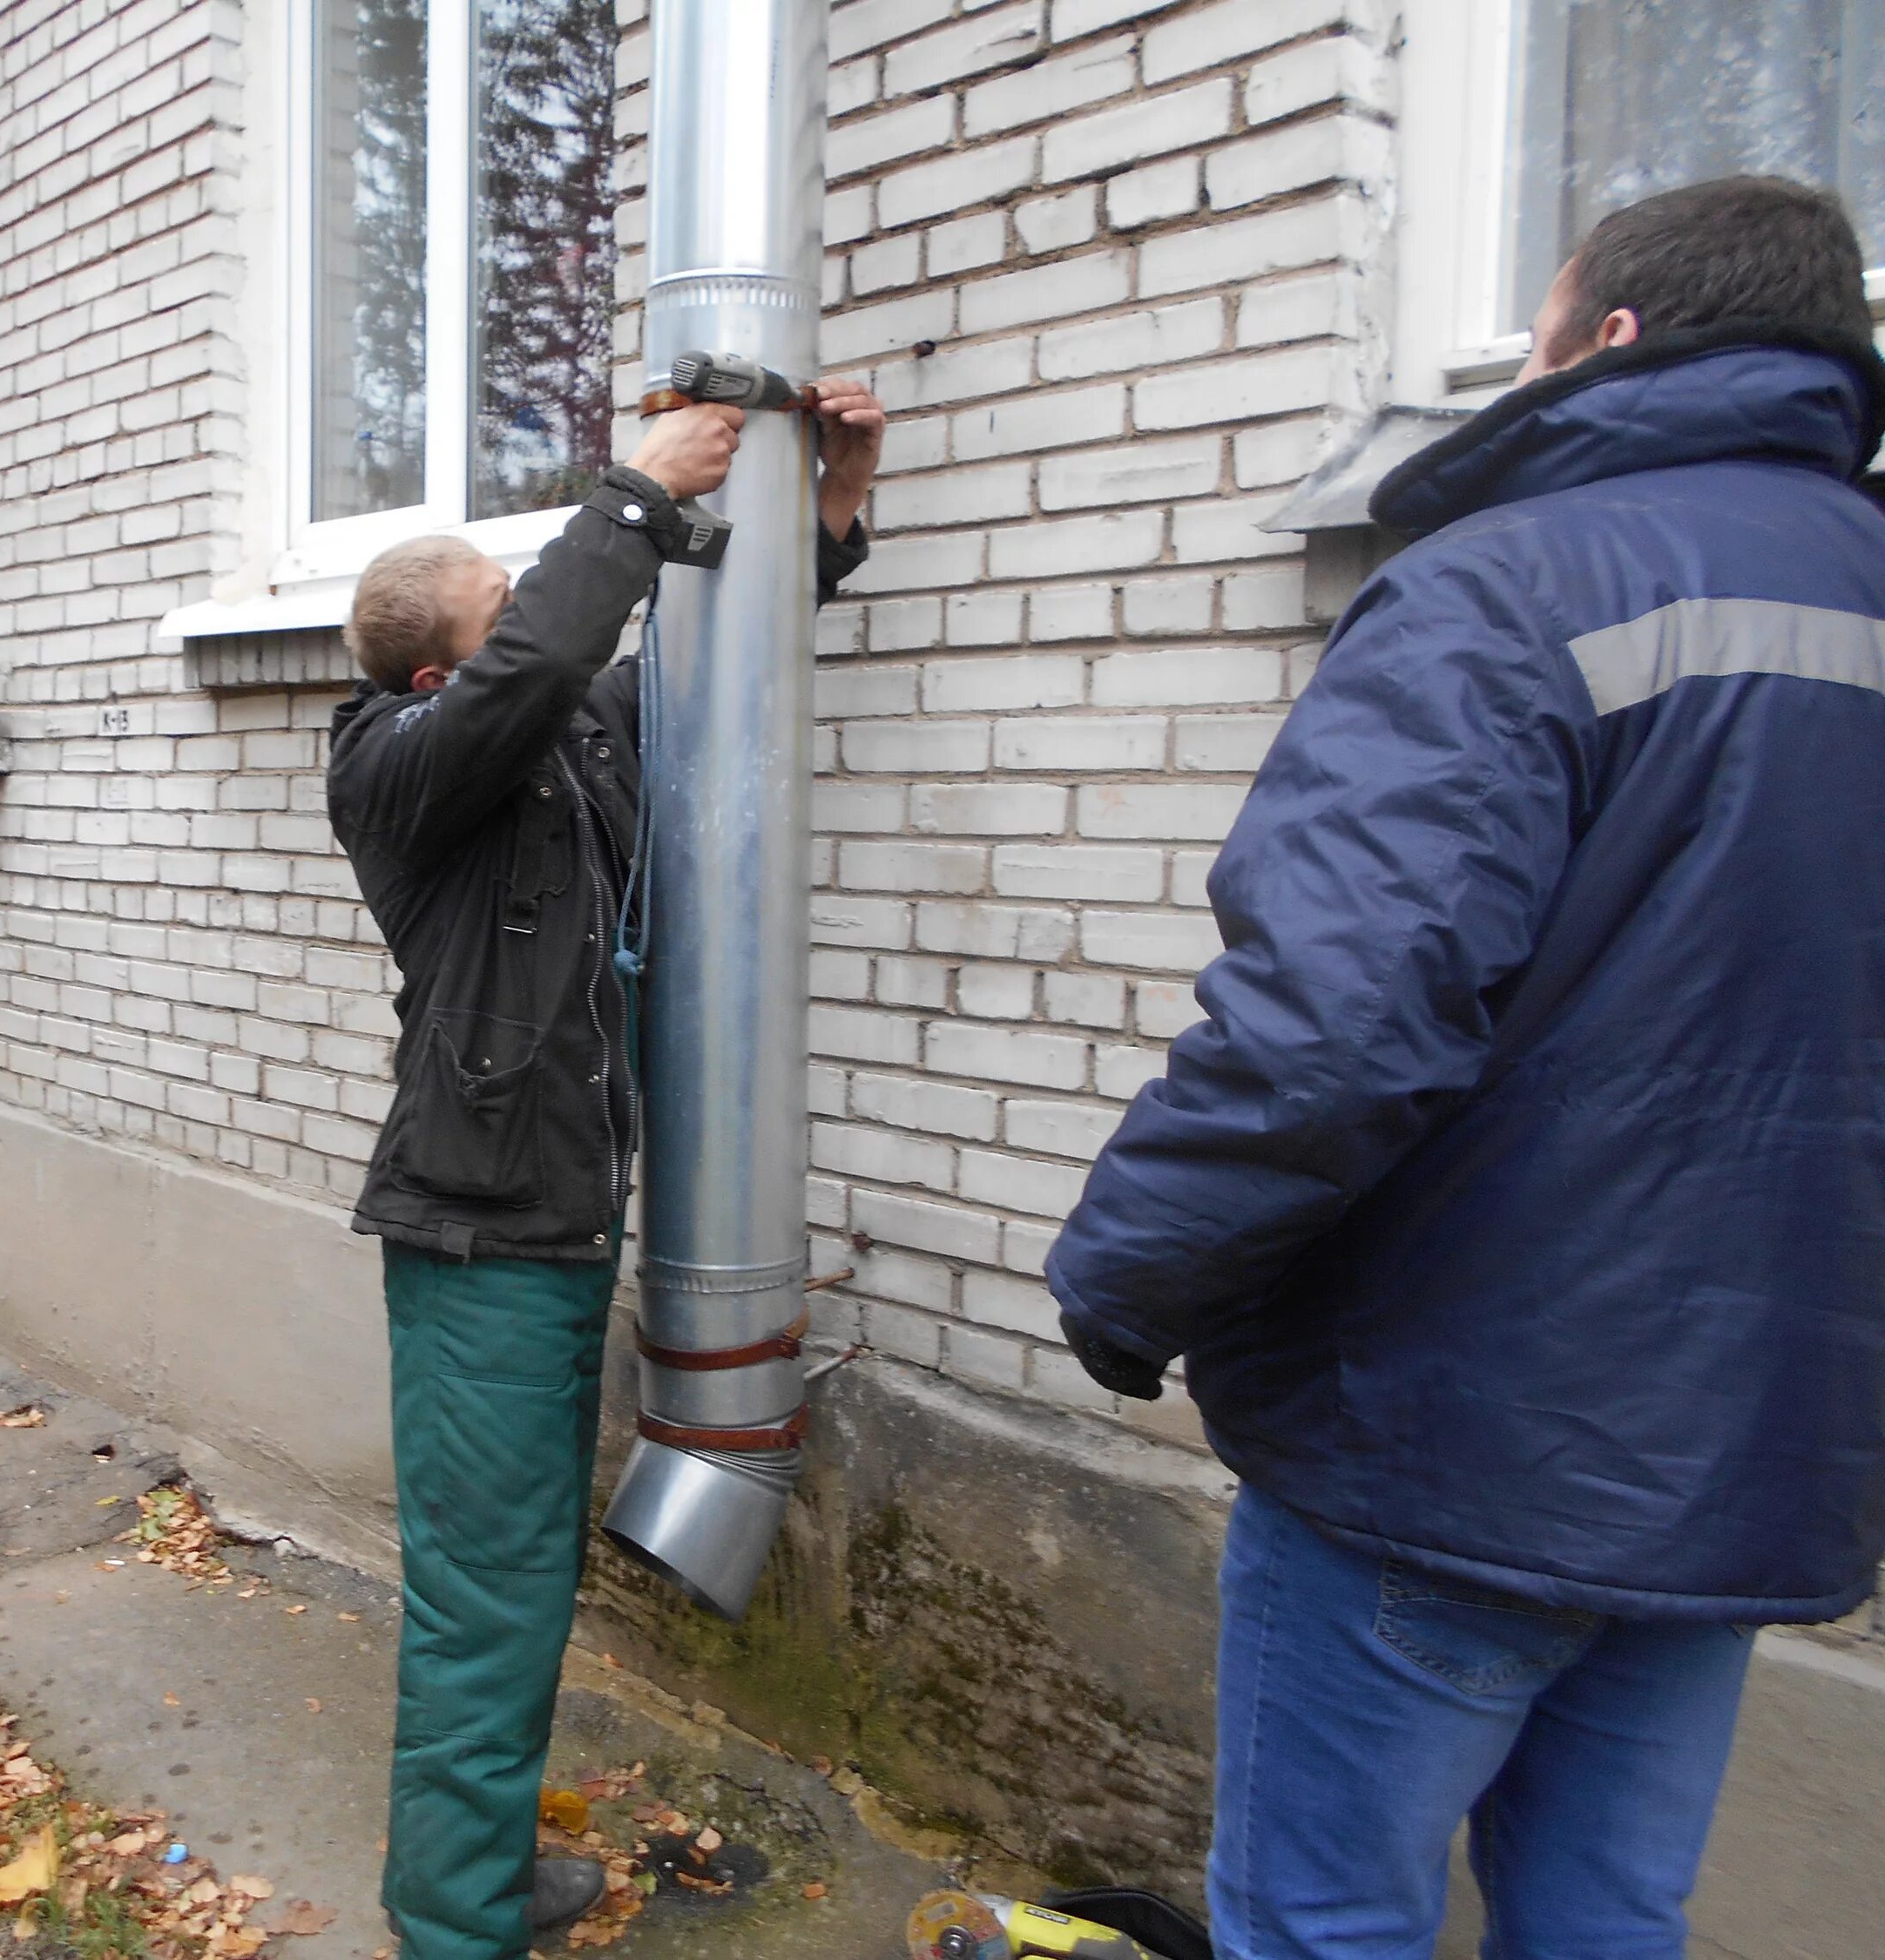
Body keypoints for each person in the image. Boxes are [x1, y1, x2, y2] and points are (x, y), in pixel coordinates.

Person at [1047, 174, 1885, 1958]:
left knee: (1321, 1921)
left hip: (1447, 1435)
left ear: (1613, 342)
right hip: (1749, 1446)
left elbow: (1334, 1030)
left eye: (1536, 332)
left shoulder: (1501, 589)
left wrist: (1126, 1277)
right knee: (1605, 1921)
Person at [328, 380, 885, 1960]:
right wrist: (633, 493)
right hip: (477, 1238)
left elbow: (690, 678)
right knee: (486, 1601)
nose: (541, 639)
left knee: (515, 1591)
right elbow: (536, 668)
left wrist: (827, 508)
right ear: (441, 670)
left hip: (553, 1226)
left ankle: (474, 1880)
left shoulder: (554, 750)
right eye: (505, 618)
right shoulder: (395, 764)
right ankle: (452, 1928)